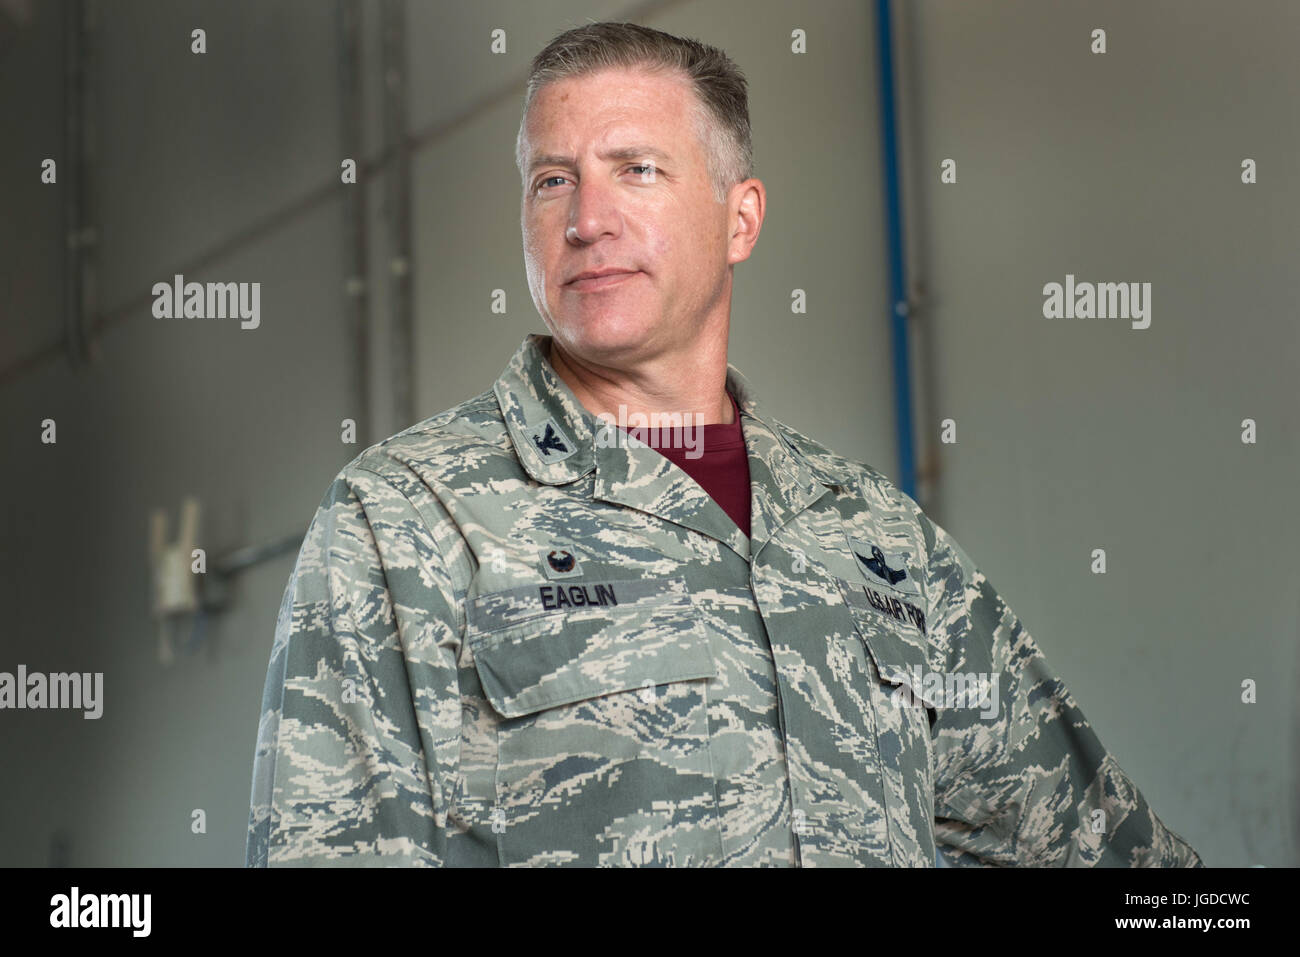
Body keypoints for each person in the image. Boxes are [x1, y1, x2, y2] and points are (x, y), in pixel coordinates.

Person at [245, 21, 1202, 867]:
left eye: (637, 169)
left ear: (739, 217)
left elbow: (1103, 849)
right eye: (552, 181)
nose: (586, 220)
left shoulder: (872, 536)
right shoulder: (405, 518)